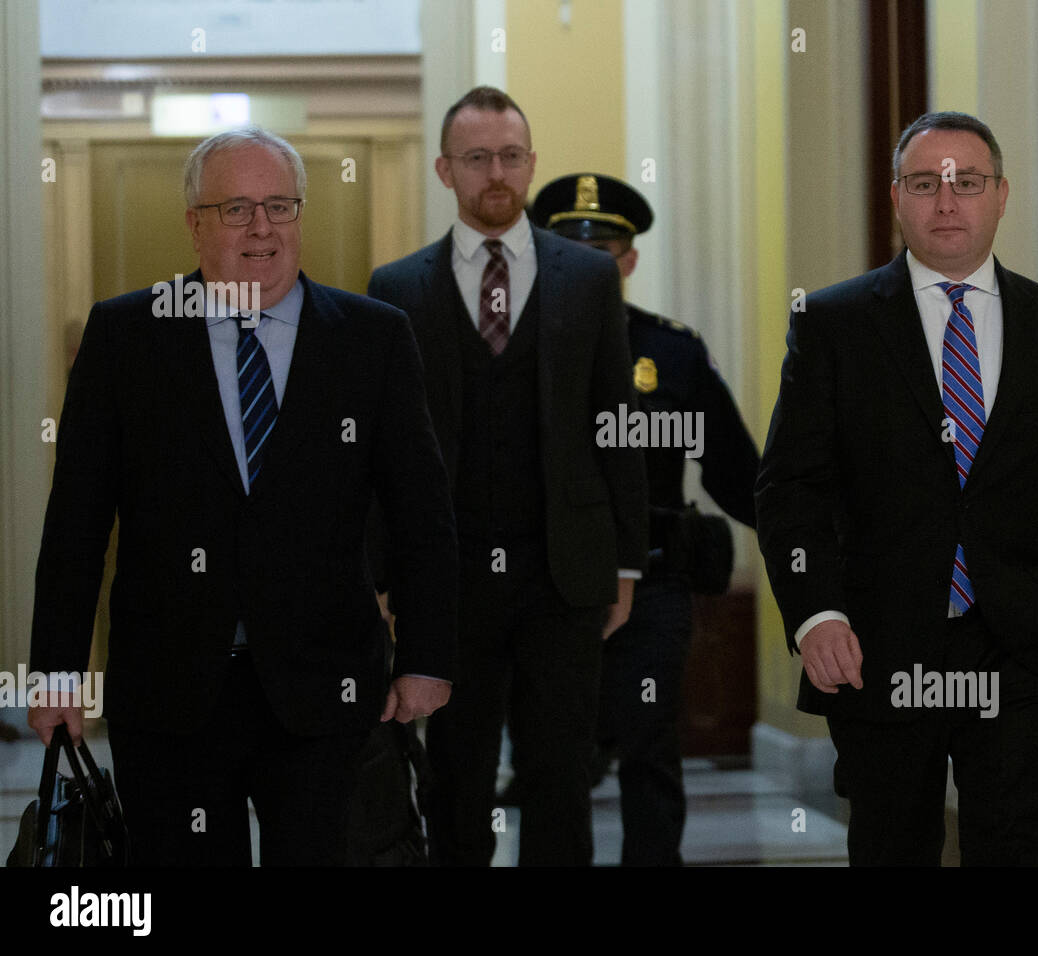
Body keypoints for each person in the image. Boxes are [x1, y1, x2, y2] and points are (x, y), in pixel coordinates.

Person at [26, 126, 458, 866]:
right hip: (170, 695)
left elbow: (422, 513)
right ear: (194, 224)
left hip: (326, 690)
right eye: (236, 209)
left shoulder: (373, 338)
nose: (262, 228)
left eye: (280, 206)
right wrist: (57, 670)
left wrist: (427, 657)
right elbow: (76, 521)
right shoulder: (126, 336)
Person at [755, 111, 1038, 866]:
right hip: (876, 647)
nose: (946, 202)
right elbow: (790, 490)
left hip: (1024, 649)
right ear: (895, 197)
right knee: (892, 849)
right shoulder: (833, 324)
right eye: (924, 183)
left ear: (1001, 194)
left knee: (1015, 850)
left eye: (966, 182)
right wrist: (816, 614)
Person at [367, 88, 648, 866]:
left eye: (511, 156)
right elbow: (384, 454)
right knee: (456, 775)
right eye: (477, 158)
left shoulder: (588, 278)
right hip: (447, 577)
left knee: (560, 774)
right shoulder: (397, 288)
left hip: (563, 570)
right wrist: (383, 573)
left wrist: (627, 562)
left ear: (531, 162)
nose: (497, 173)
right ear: (444, 169)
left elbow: (616, 422)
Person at [532, 173, 761, 865]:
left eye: (604, 252)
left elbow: (735, 471)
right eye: (572, 251)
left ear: (629, 260)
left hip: (656, 581)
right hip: (547, 583)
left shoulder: (673, 352)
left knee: (650, 750)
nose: (589, 265)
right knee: (552, 760)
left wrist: (812, 539)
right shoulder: (519, 349)